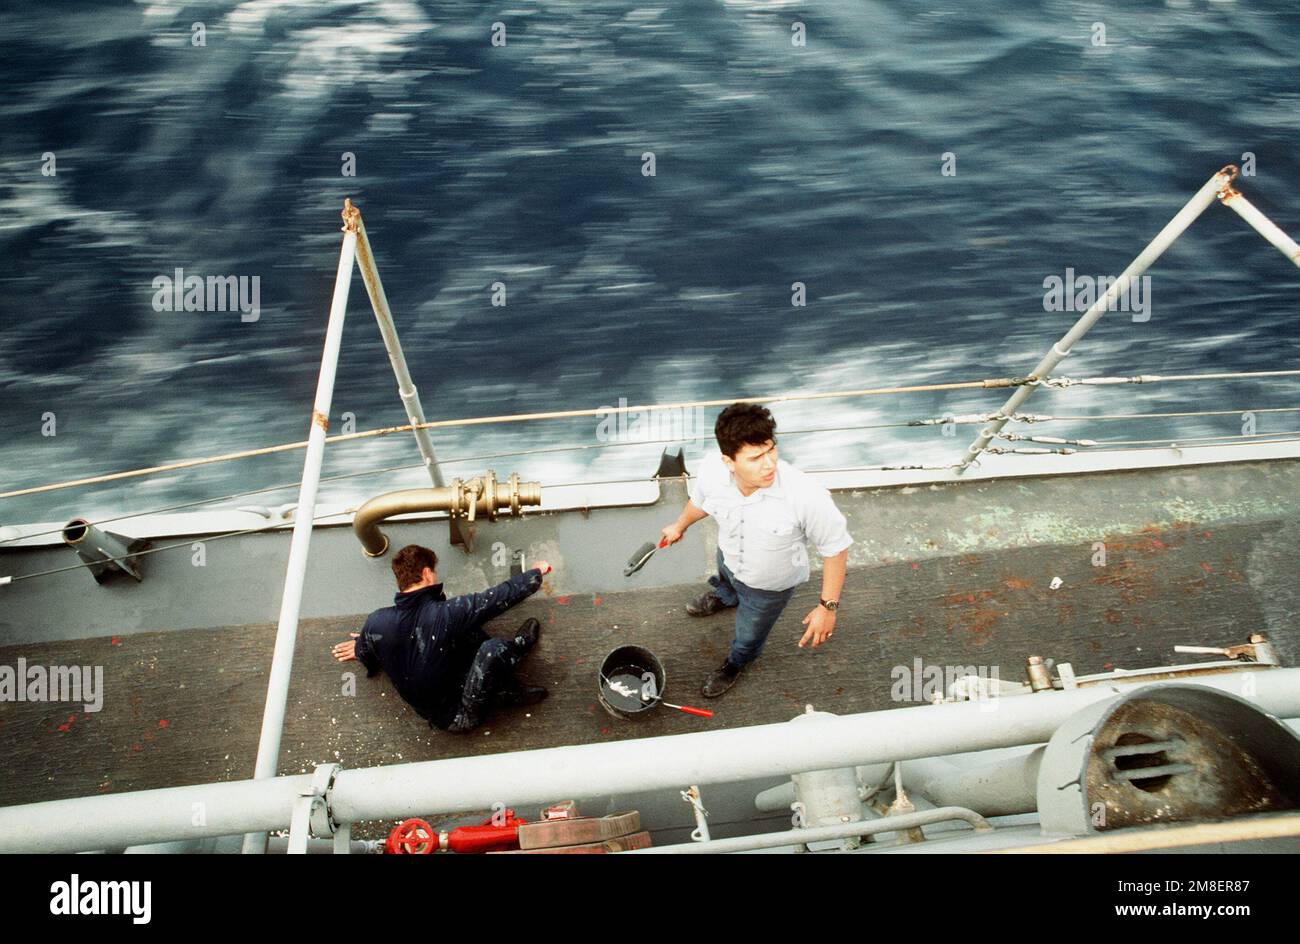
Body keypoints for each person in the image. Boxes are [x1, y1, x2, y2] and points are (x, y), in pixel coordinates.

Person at [660, 403, 852, 697]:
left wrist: (827, 608)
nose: (770, 464)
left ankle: (736, 662)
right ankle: (725, 596)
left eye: (771, 450)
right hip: (729, 558)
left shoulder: (806, 496)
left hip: (768, 588)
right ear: (729, 461)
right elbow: (700, 502)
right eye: (755, 458)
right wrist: (679, 526)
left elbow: (835, 549)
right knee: (726, 580)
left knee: (749, 635)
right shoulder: (712, 471)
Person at [331, 544, 552, 733]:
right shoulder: (445, 614)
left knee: (465, 625)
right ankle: (511, 677)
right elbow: (496, 598)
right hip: (457, 716)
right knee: (493, 650)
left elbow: (366, 651)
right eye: (434, 572)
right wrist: (535, 573)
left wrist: (361, 646)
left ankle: (494, 683)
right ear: (427, 573)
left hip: (438, 691)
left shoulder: (376, 622)